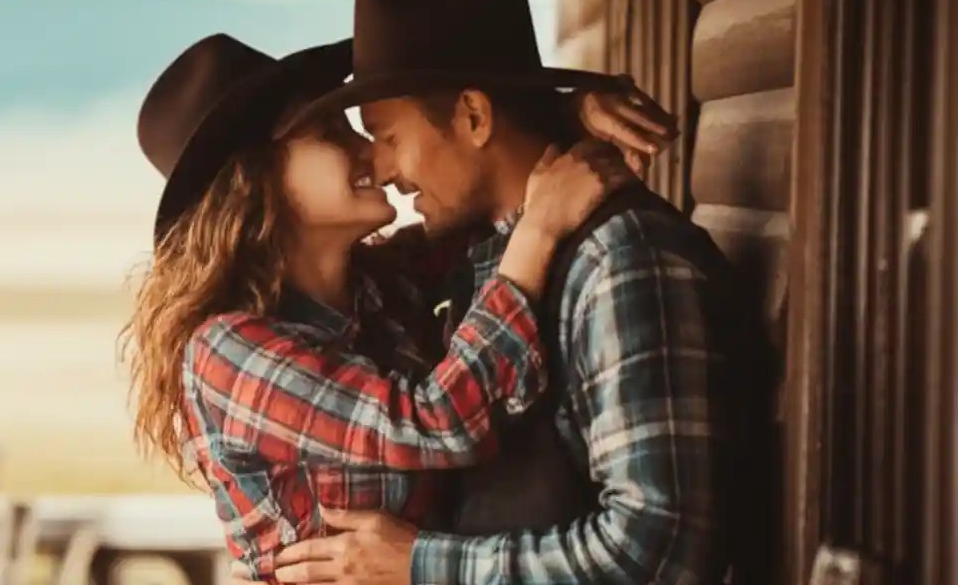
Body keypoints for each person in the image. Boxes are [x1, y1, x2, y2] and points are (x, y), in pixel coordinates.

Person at [239, 0, 759, 584]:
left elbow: (660, 554)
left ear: (474, 117)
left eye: (389, 137)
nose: (380, 169)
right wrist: (567, 114)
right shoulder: (481, 257)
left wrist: (420, 565)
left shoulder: (621, 259)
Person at [120, 33, 676, 582]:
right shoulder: (227, 352)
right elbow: (438, 423)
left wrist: (566, 115)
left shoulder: (384, 286)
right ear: (254, 182)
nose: (370, 153)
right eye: (329, 132)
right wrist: (540, 232)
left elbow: (487, 189)